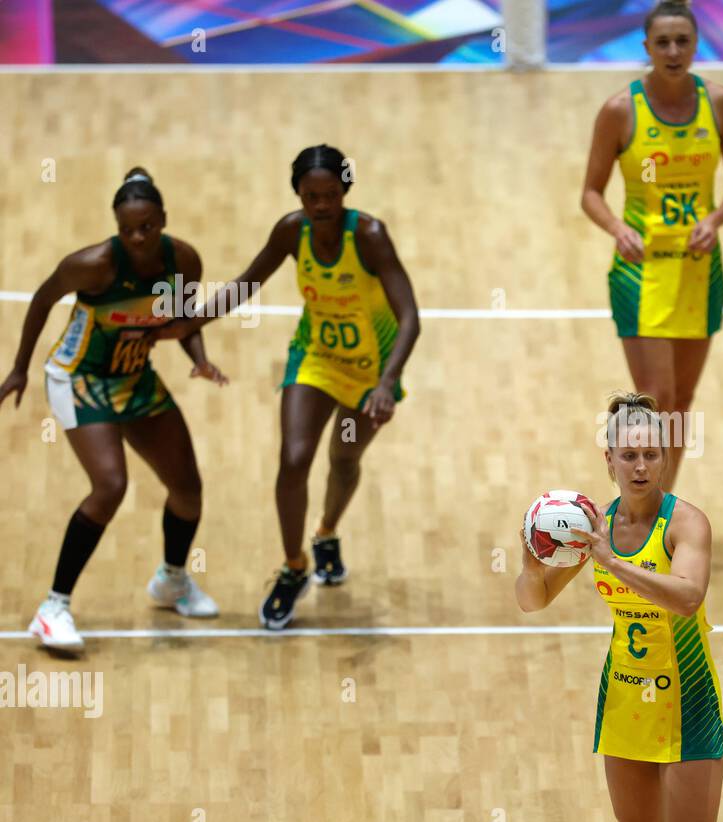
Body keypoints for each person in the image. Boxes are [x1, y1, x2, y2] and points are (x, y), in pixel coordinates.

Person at [159, 145, 420, 629]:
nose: (320, 205)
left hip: (371, 370)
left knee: (344, 458)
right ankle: (294, 565)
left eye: (330, 195)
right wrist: (192, 322)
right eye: (310, 195)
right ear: (296, 193)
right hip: (315, 357)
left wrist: (387, 382)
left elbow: (410, 317)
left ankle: (326, 533)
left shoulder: (369, 235)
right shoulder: (290, 230)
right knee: (293, 459)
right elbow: (245, 283)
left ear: (345, 191)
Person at [0, 168, 225, 655]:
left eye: (146, 226)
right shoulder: (95, 264)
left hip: (132, 376)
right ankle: (52, 608)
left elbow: (183, 321)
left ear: (163, 219)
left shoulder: (183, 260)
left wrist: (200, 359)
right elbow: (42, 299)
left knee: (187, 488)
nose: (137, 237)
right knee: (110, 486)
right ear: (116, 230)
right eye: (127, 230)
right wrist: (19, 368)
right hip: (79, 375)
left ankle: (172, 582)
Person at [515, 392, 723, 822]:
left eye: (650, 454)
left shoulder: (687, 524)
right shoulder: (595, 525)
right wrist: (531, 567)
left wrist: (611, 561)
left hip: (686, 700)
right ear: (608, 460)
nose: (640, 467)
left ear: (665, 458)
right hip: (625, 698)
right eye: (628, 455)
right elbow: (533, 602)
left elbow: (688, 598)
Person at [580, 0, 723, 492]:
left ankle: (660, 510)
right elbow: (590, 192)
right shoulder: (620, 110)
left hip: (701, 269)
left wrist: (717, 218)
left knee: (682, 401)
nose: (674, 51)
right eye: (663, 42)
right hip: (641, 273)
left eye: (683, 41)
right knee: (655, 398)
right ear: (647, 48)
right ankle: (640, 512)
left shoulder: (718, 102)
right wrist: (617, 227)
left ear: (697, 44)